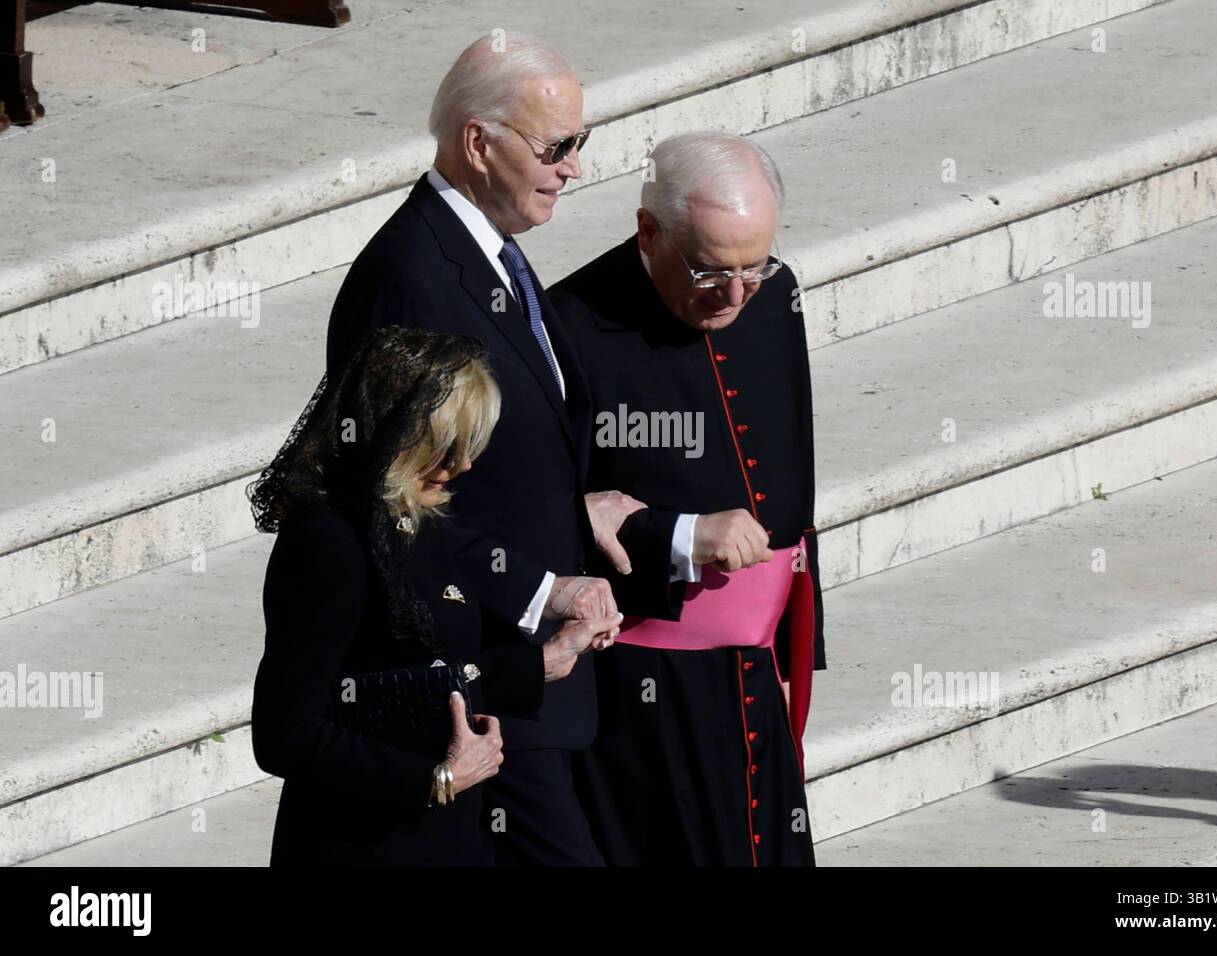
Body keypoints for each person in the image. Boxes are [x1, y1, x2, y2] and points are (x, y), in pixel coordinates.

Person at [325, 34, 654, 865]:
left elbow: (495, 457)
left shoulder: (489, 254)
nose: (573, 167)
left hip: (532, 673)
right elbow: (388, 500)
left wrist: (569, 509)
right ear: (479, 143)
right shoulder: (412, 276)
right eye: (555, 147)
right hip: (479, 675)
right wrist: (544, 586)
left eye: (580, 143)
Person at [550, 132, 827, 866]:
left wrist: (800, 628)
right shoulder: (568, 325)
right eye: (710, 269)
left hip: (760, 665)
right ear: (650, 231)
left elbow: (790, 450)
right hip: (644, 688)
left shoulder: (778, 291)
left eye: (753, 268)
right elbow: (535, 513)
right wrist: (675, 535)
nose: (736, 295)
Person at [249, 327, 619, 866]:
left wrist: (543, 662)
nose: (462, 466)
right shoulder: (328, 544)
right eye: (446, 449)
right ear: (394, 434)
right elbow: (286, 733)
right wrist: (436, 778)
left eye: (470, 447)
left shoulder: (412, 520)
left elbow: (421, 678)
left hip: (447, 840)